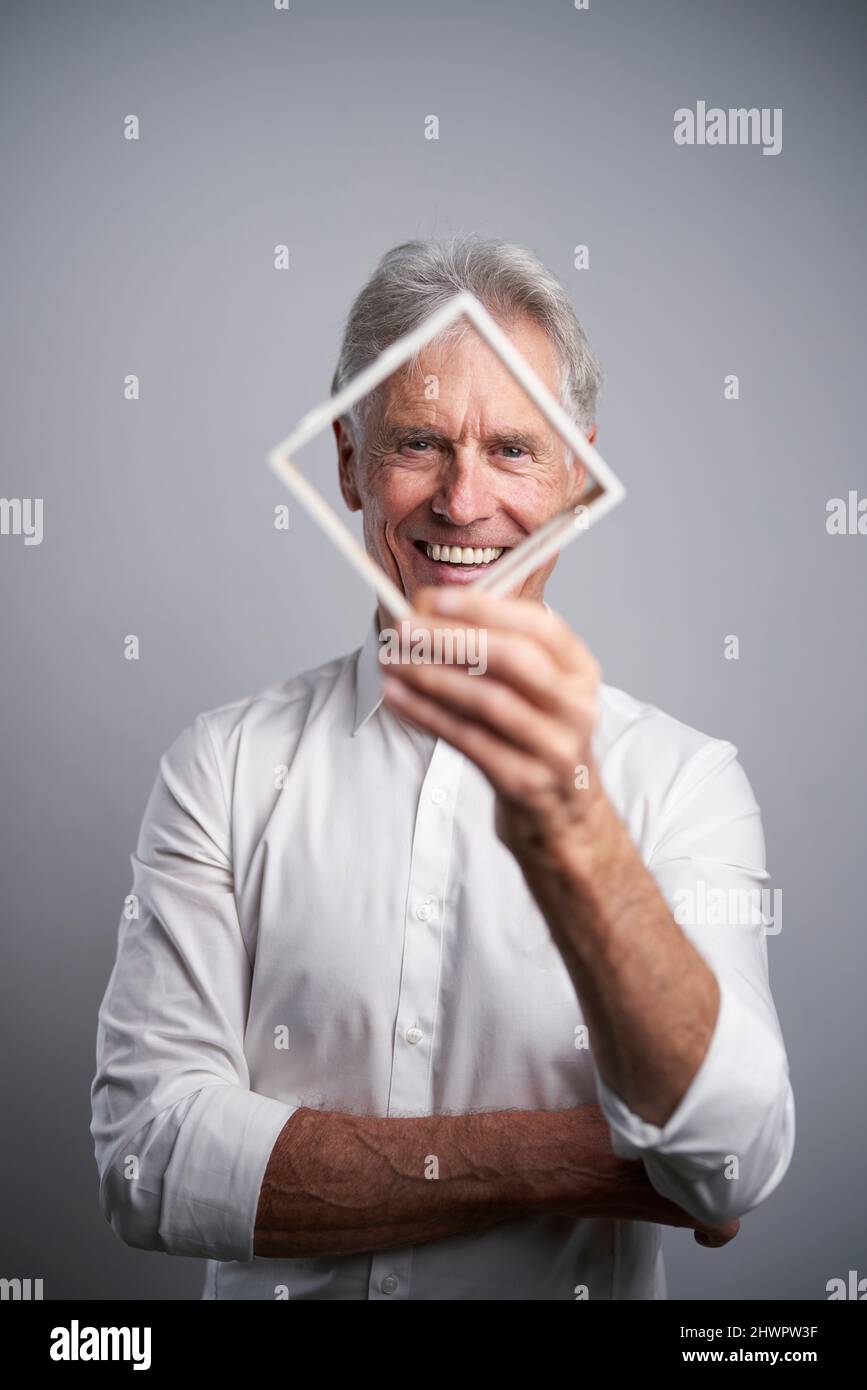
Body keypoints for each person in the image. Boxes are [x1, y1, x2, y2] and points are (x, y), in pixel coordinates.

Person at [90, 235, 795, 1300]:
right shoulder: (223, 767)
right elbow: (148, 1157)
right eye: (419, 442)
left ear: (575, 477)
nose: (464, 506)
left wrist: (574, 833)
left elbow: (736, 1156)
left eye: (515, 450)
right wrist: (590, 1157)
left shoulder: (684, 785)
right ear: (346, 461)